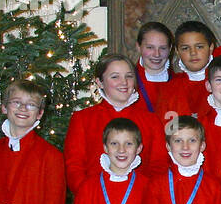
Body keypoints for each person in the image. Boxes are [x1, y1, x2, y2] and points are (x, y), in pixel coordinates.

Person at [63, 53, 166, 194]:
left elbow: (159, 166)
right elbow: (74, 167)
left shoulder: (151, 120)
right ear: (100, 82)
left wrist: (144, 194)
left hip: (139, 200)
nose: (124, 83)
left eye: (129, 76)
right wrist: (87, 195)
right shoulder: (82, 119)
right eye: (115, 76)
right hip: (94, 200)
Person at [158, 20, 216, 120]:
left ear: (210, 47)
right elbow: (167, 130)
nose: (193, 53)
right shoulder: (169, 90)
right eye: (185, 48)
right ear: (177, 51)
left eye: (199, 47)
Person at [134, 21, 174, 114]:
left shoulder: (180, 84)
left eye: (163, 48)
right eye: (150, 47)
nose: (157, 54)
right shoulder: (126, 84)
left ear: (170, 49)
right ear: (138, 47)